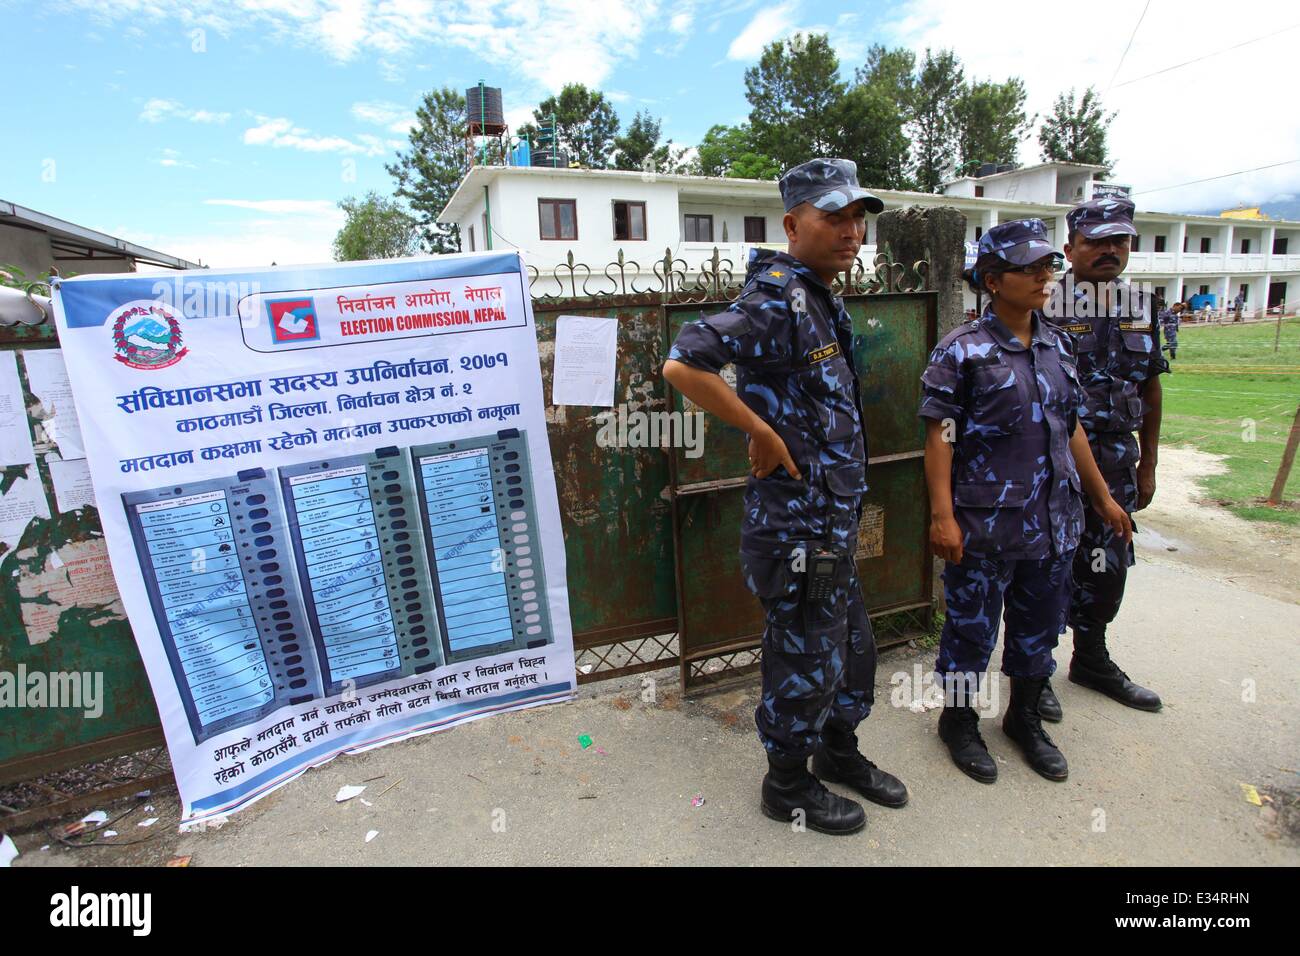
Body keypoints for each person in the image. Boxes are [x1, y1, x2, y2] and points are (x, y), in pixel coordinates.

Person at [662, 158, 906, 835]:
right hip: (796, 529)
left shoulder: (821, 295)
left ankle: (837, 751)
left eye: (859, 217)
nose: (851, 230)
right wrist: (759, 429)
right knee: (803, 655)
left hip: (830, 521)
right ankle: (787, 785)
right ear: (793, 224)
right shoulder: (776, 296)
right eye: (835, 217)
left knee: (851, 648)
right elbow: (683, 362)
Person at [921, 219, 1132, 783]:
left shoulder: (1058, 342)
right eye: (1029, 268)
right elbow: (939, 436)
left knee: (1039, 628)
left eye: (1048, 266)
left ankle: (1024, 718)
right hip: (985, 523)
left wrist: (1104, 498)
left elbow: (1073, 427)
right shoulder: (961, 350)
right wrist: (942, 516)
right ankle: (959, 722)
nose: (1045, 276)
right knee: (971, 630)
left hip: (1054, 521)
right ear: (992, 280)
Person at [1039, 197, 1168, 721]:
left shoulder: (1142, 305)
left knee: (1109, 566)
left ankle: (1091, 658)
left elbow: (1151, 386)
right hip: (1051, 466)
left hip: (1116, 464)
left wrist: (1150, 463)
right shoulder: (1041, 300)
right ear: (1071, 248)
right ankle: (1034, 670)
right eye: (1096, 241)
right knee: (1045, 570)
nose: (1110, 250)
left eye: (1121, 241)